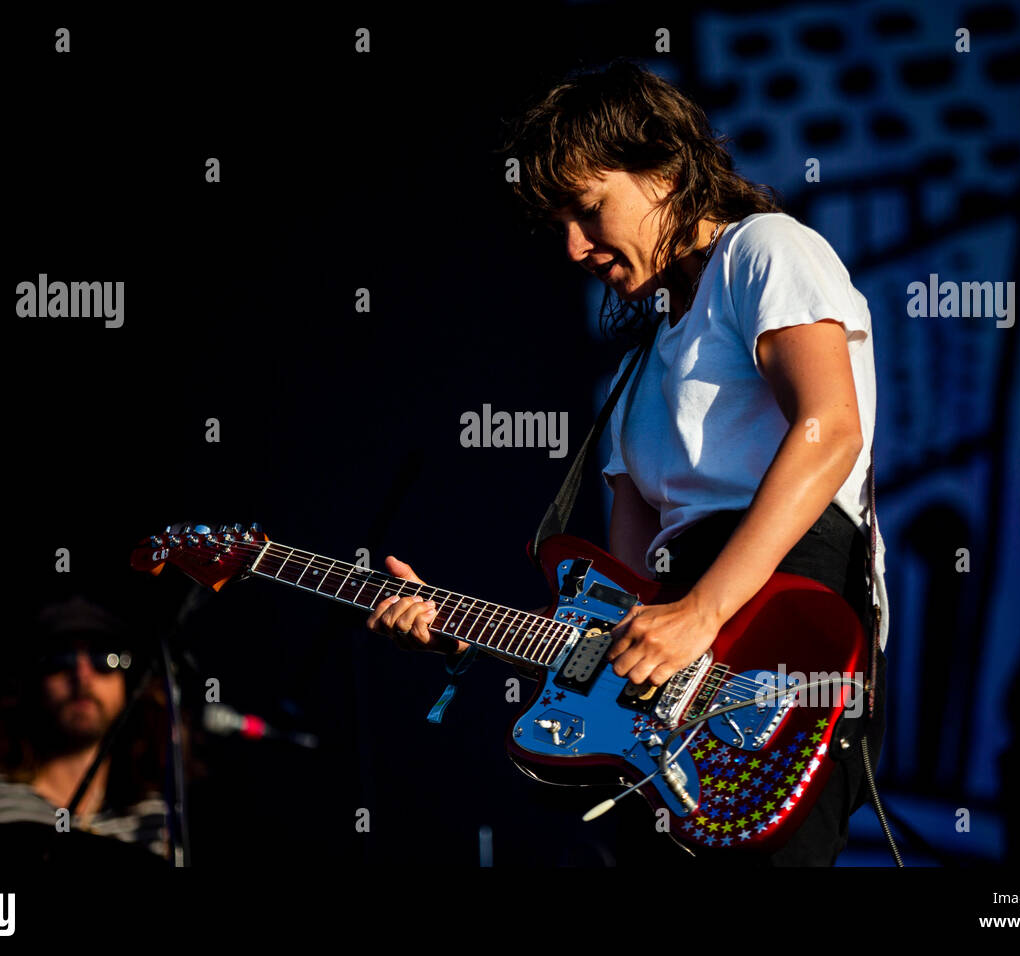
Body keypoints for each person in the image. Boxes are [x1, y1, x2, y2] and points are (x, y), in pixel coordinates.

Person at [366, 59, 889, 866]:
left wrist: (703, 611)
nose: (574, 247)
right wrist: (464, 634)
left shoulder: (766, 251)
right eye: (558, 225)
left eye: (589, 208)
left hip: (782, 636)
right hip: (674, 668)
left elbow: (830, 429)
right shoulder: (635, 370)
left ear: (666, 169)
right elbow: (614, 601)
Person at [0, 596, 170, 861]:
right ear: (28, 682)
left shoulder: (155, 817)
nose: (82, 675)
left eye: (103, 657)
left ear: (129, 682)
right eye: (59, 658)